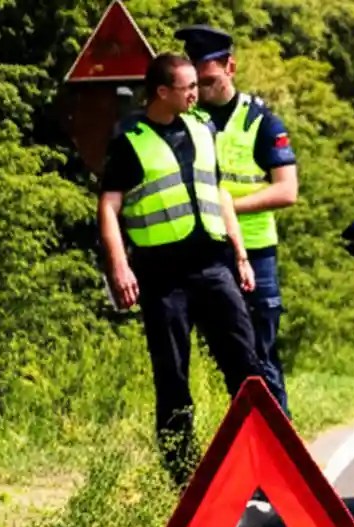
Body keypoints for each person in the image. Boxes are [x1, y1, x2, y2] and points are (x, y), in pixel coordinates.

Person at [97, 51, 267, 484]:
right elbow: (109, 205)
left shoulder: (203, 127)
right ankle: (184, 480)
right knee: (173, 380)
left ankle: (259, 464)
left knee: (247, 368)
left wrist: (241, 254)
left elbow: (219, 193)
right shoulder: (129, 139)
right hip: (162, 278)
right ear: (162, 92)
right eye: (188, 87)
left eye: (197, 85)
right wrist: (120, 267)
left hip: (213, 268)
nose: (197, 92)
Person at [174, 24, 298, 419]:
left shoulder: (262, 122)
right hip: (206, 255)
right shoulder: (187, 122)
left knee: (262, 357)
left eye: (209, 81)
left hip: (256, 254)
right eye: (197, 82)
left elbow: (286, 191)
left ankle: (283, 452)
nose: (204, 91)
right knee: (229, 360)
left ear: (231, 67)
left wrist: (226, 207)